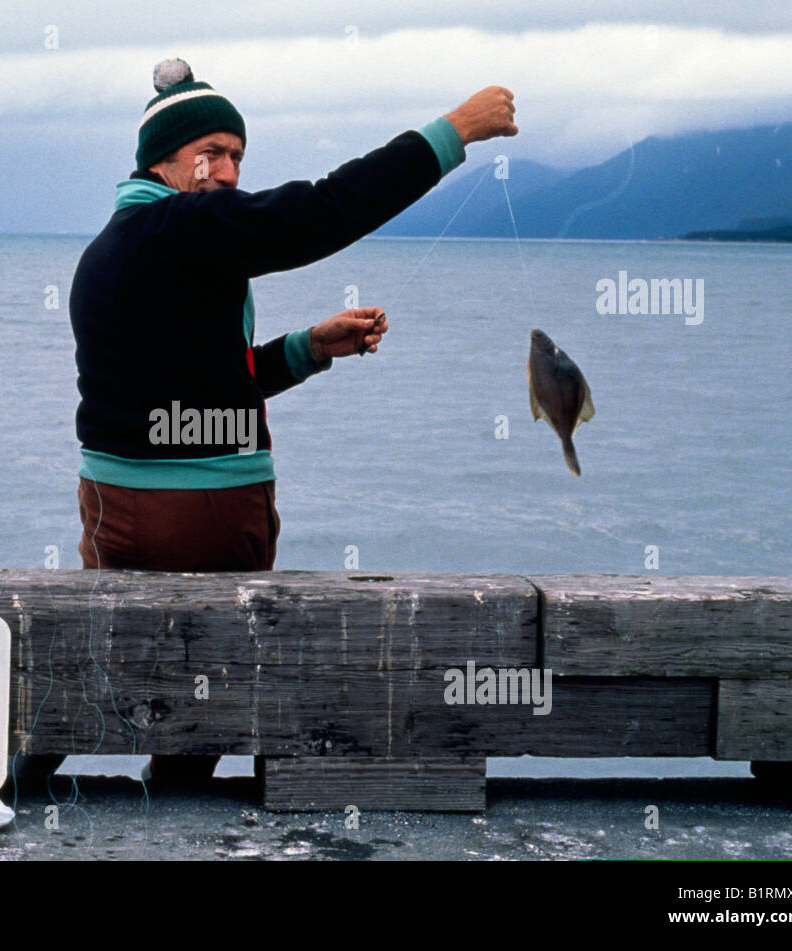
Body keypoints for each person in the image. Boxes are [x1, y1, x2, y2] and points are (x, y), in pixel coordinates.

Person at [68, 58, 517, 783]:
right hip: (205, 510)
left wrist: (306, 349)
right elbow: (321, 210)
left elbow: (196, 391)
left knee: (117, 669)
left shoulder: (110, 250)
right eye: (209, 154)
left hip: (109, 511)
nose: (226, 171)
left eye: (238, 156)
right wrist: (452, 132)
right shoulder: (185, 225)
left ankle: (30, 787)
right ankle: (175, 810)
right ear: (164, 161)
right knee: (206, 693)